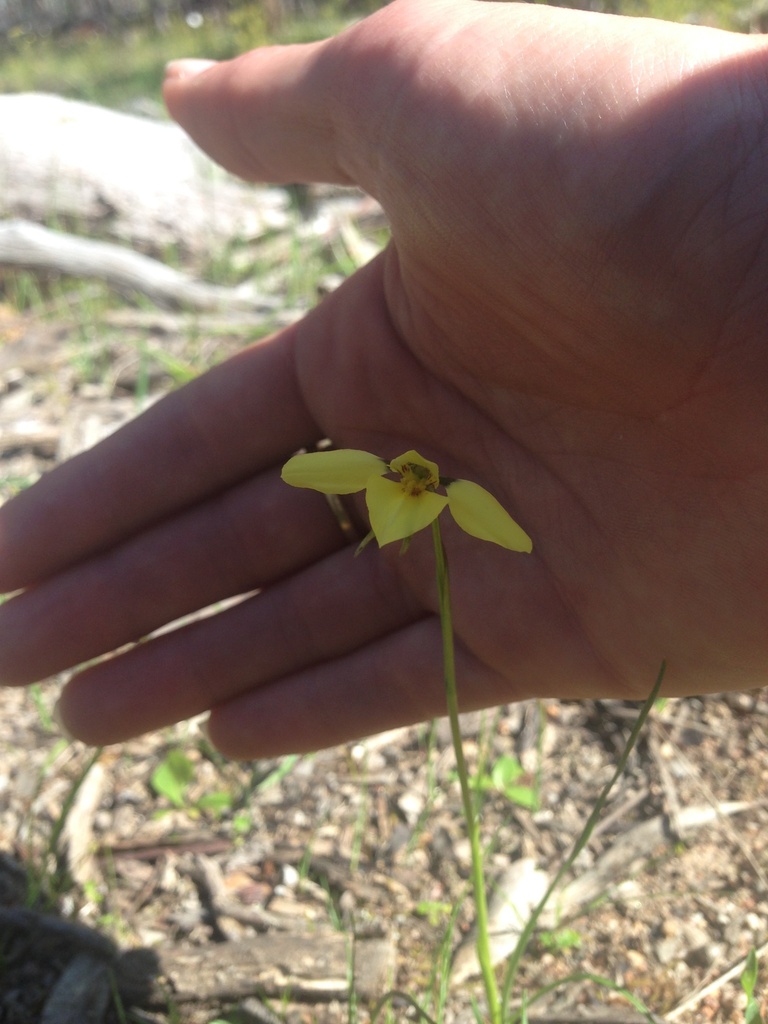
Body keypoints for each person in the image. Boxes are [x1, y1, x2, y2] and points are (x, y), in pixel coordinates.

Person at [0, 0, 767, 759]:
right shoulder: (416, 488)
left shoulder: (445, 496)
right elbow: (323, 473)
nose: (413, 475)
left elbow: (465, 514)